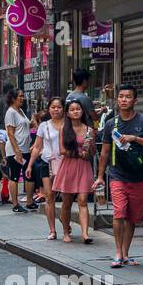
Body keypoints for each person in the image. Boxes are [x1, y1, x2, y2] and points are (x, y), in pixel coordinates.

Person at [93, 85, 143, 268]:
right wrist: (99, 177)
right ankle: (118, 253)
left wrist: (134, 138)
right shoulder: (110, 124)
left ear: (135, 101)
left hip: (138, 176)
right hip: (117, 175)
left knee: (132, 218)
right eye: (121, 96)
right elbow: (104, 153)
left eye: (128, 97)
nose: (123, 100)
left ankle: (126, 253)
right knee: (119, 212)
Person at [54, 99, 97, 244]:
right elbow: (62, 151)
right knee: (67, 203)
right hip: (69, 167)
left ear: (82, 111)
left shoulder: (89, 130)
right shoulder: (64, 129)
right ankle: (66, 231)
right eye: (72, 110)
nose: (76, 111)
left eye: (78, 109)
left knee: (83, 200)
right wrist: (79, 154)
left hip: (84, 167)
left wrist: (90, 147)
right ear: (68, 113)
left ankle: (85, 233)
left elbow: (93, 152)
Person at [27, 97, 65, 242]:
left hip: (65, 164)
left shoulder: (68, 124)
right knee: (49, 197)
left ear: (63, 108)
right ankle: (52, 230)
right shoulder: (44, 126)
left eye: (59, 107)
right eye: (53, 107)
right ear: (49, 109)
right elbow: (37, 147)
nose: (56, 109)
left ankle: (65, 223)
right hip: (46, 163)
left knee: (66, 198)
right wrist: (30, 165)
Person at [4, 89, 35, 213]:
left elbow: (24, 127)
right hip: (15, 150)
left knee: (29, 175)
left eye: (23, 96)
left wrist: (32, 122)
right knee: (15, 176)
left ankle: (30, 201)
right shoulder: (10, 112)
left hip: (25, 149)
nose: (22, 98)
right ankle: (15, 204)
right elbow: (10, 134)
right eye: (20, 96)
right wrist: (17, 151)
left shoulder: (20, 111)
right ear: (13, 98)